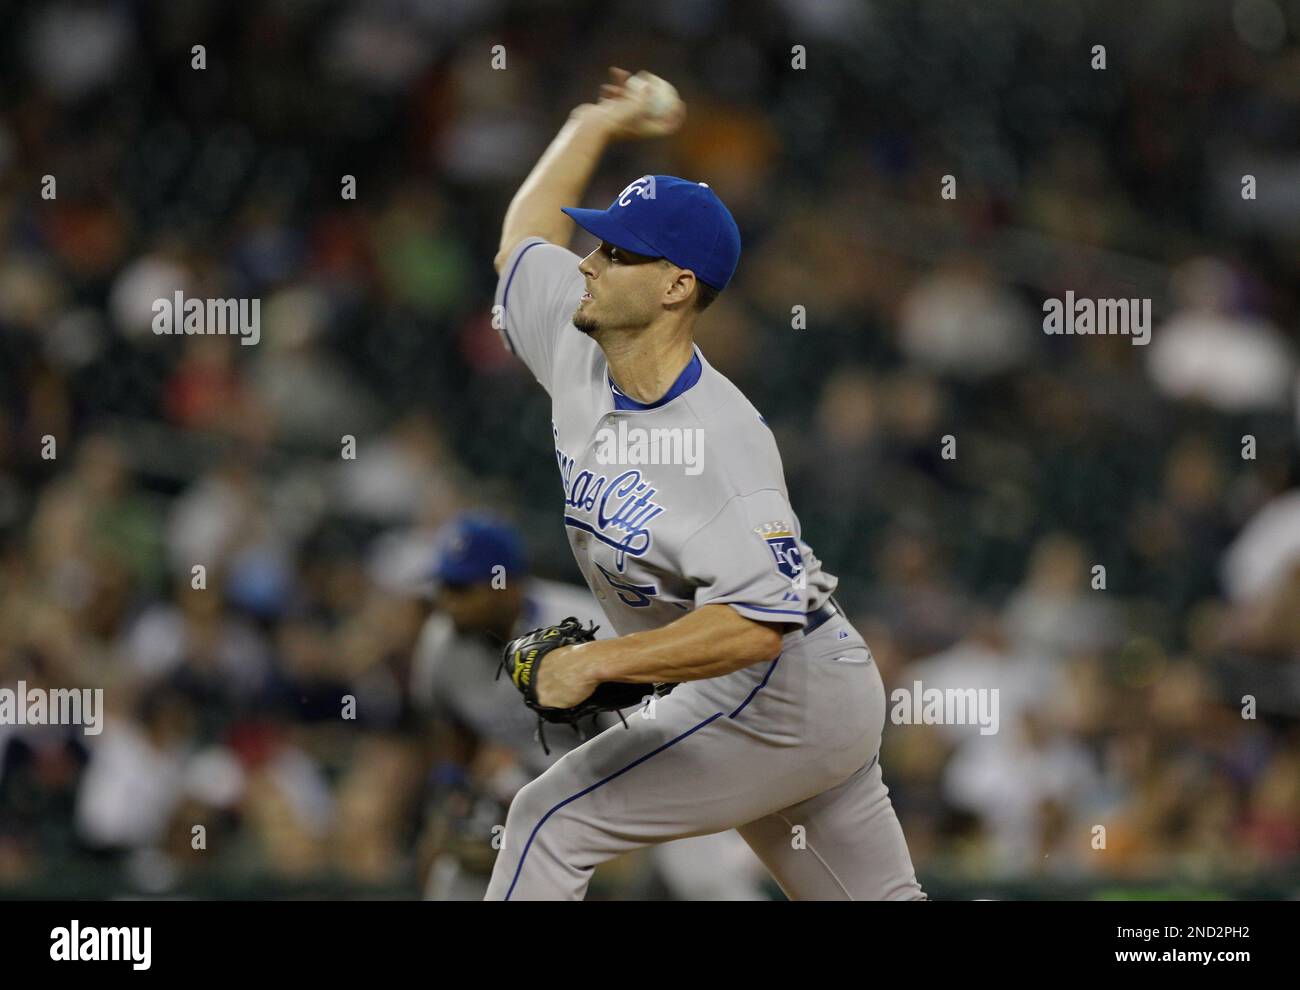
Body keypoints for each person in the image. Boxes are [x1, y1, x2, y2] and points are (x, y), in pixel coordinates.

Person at [484, 67, 924, 901]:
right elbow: (521, 243)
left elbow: (760, 623)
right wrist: (594, 122)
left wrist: (598, 664)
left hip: (780, 692)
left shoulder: (722, 444)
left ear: (676, 286)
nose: (587, 262)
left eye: (614, 251)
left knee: (548, 821)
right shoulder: (579, 342)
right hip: (785, 694)